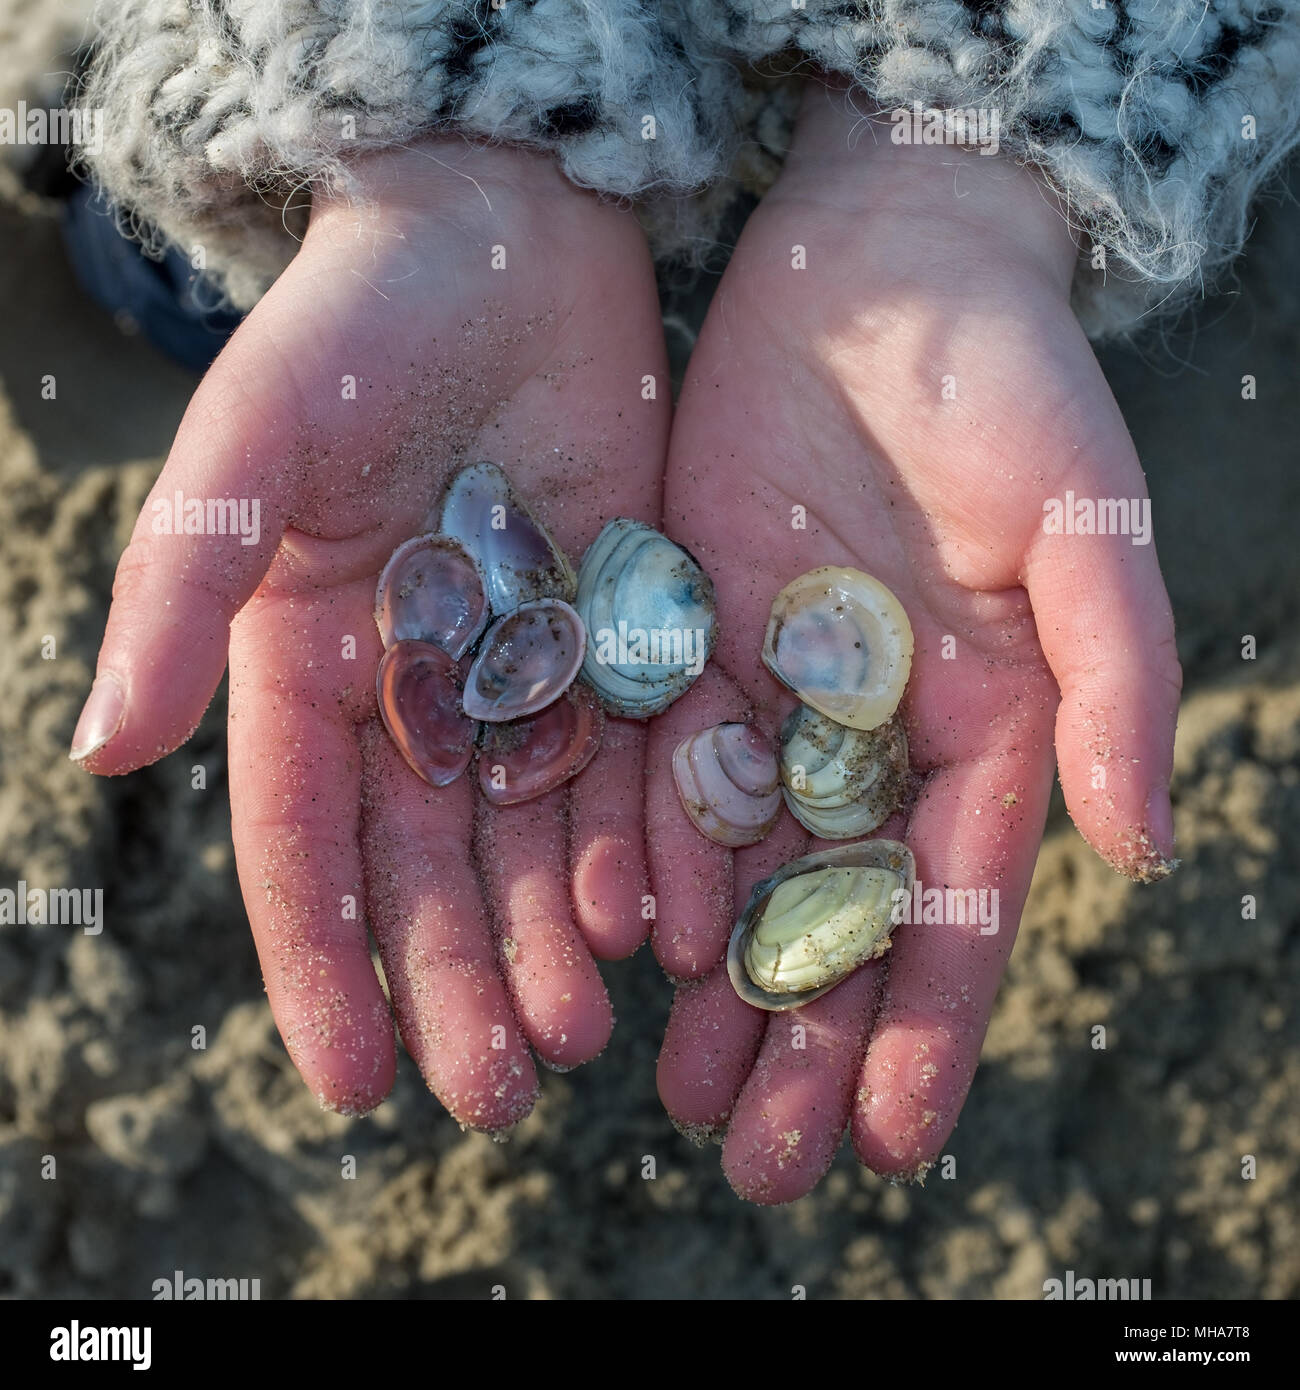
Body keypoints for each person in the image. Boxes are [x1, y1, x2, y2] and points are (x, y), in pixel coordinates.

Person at [59, 1, 1300, 1203]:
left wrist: (967, 152)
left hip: (967, 95)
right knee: (189, 269)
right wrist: (438, 129)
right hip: (372, 65)